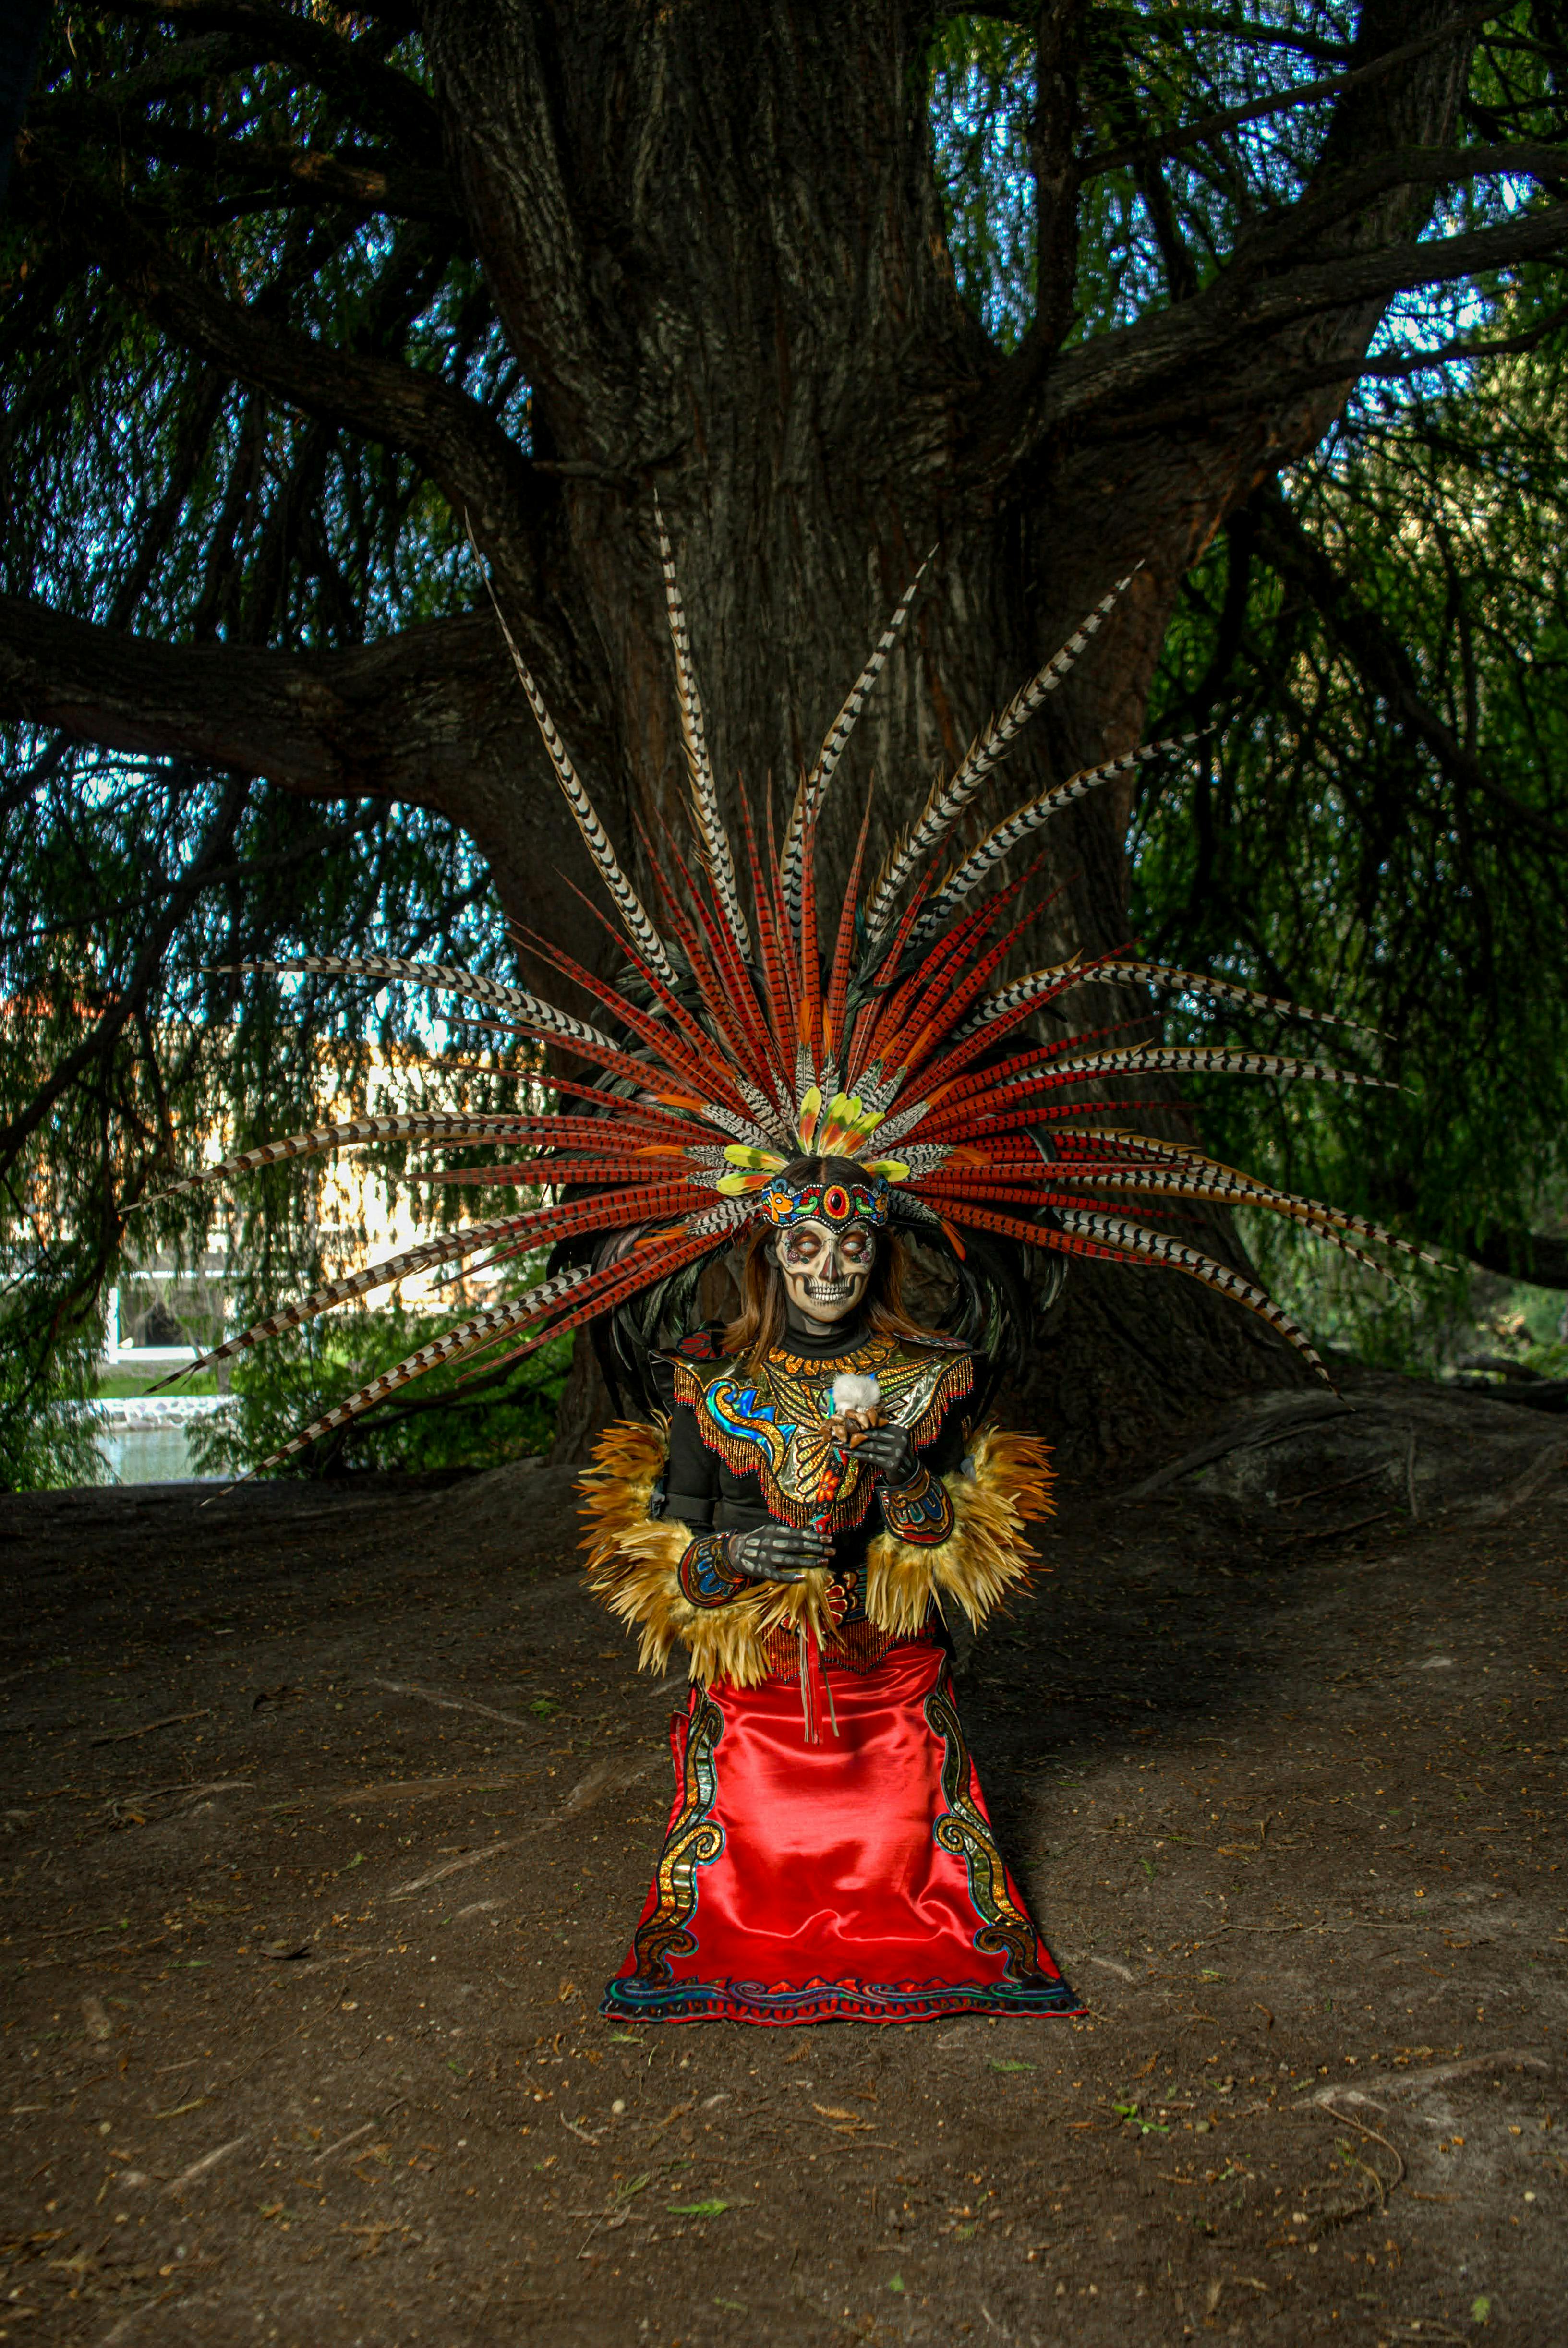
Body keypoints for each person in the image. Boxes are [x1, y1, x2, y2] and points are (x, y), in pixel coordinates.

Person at [582, 1155, 1084, 2026]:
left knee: (903, 1868)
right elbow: (673, 1557)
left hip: (889, 1681)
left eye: (849, 1245)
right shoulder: (710, 1380)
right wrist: (737, 1559)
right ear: (771, 1255)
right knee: (756, 1863)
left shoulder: (931, 1374)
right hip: (759, 1687)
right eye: (806, 1245)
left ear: (877, 1252)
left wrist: (906, 1485)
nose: (828, 1270)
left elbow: (952, 1539)